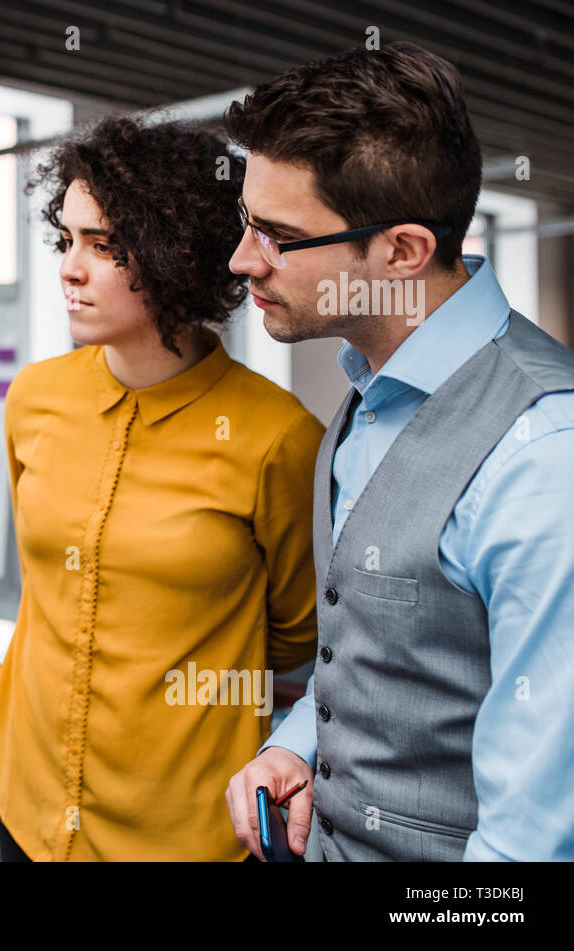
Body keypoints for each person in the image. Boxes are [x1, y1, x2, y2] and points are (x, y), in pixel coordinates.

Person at [223, 42, 574, 861]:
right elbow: (373, 649)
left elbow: (532, 840)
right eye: (248, 221)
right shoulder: (367, 393)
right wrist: (296, 743)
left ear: (403, 251)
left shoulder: (543, 458)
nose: (245, 259)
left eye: (278, 235)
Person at [0, 117, 324, 861]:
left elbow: (298, 630)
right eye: (66, 239)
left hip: (184, 832)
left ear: (178, 254)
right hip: (25, 802)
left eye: (104, 247)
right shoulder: (33, 399)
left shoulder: (278, 437)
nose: (70, 268)